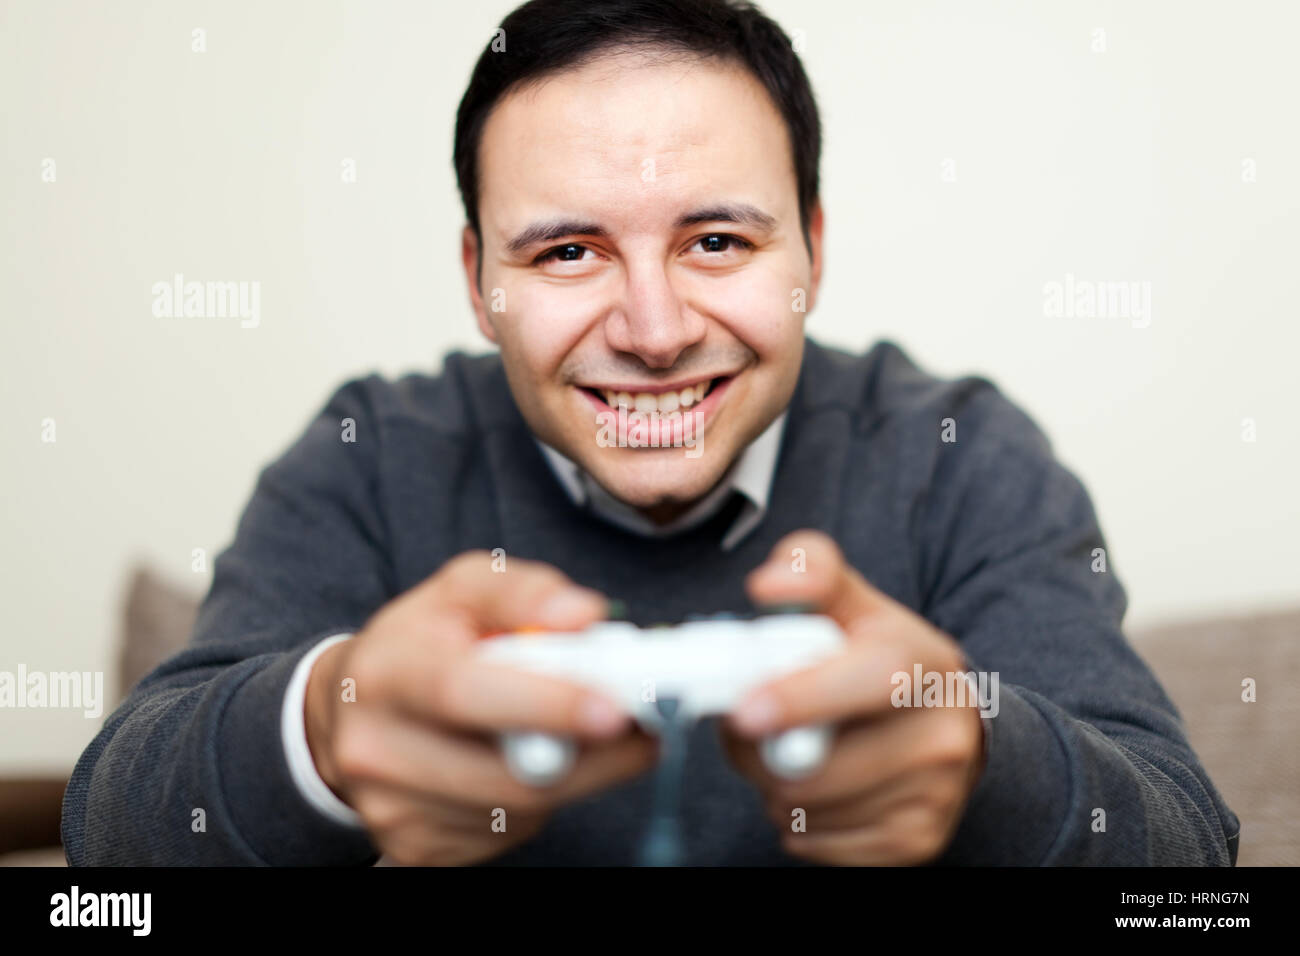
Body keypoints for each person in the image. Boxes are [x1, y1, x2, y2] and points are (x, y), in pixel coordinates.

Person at [62, 0, 1239, 866]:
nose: (656, 330)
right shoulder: (374, 454)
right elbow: (108, 845)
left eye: (716, 241)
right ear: (478, 282)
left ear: (814, 247)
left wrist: (980, 748)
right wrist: (326, 724)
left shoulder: (958, 454)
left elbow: (1189, 872)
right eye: (568, 251)